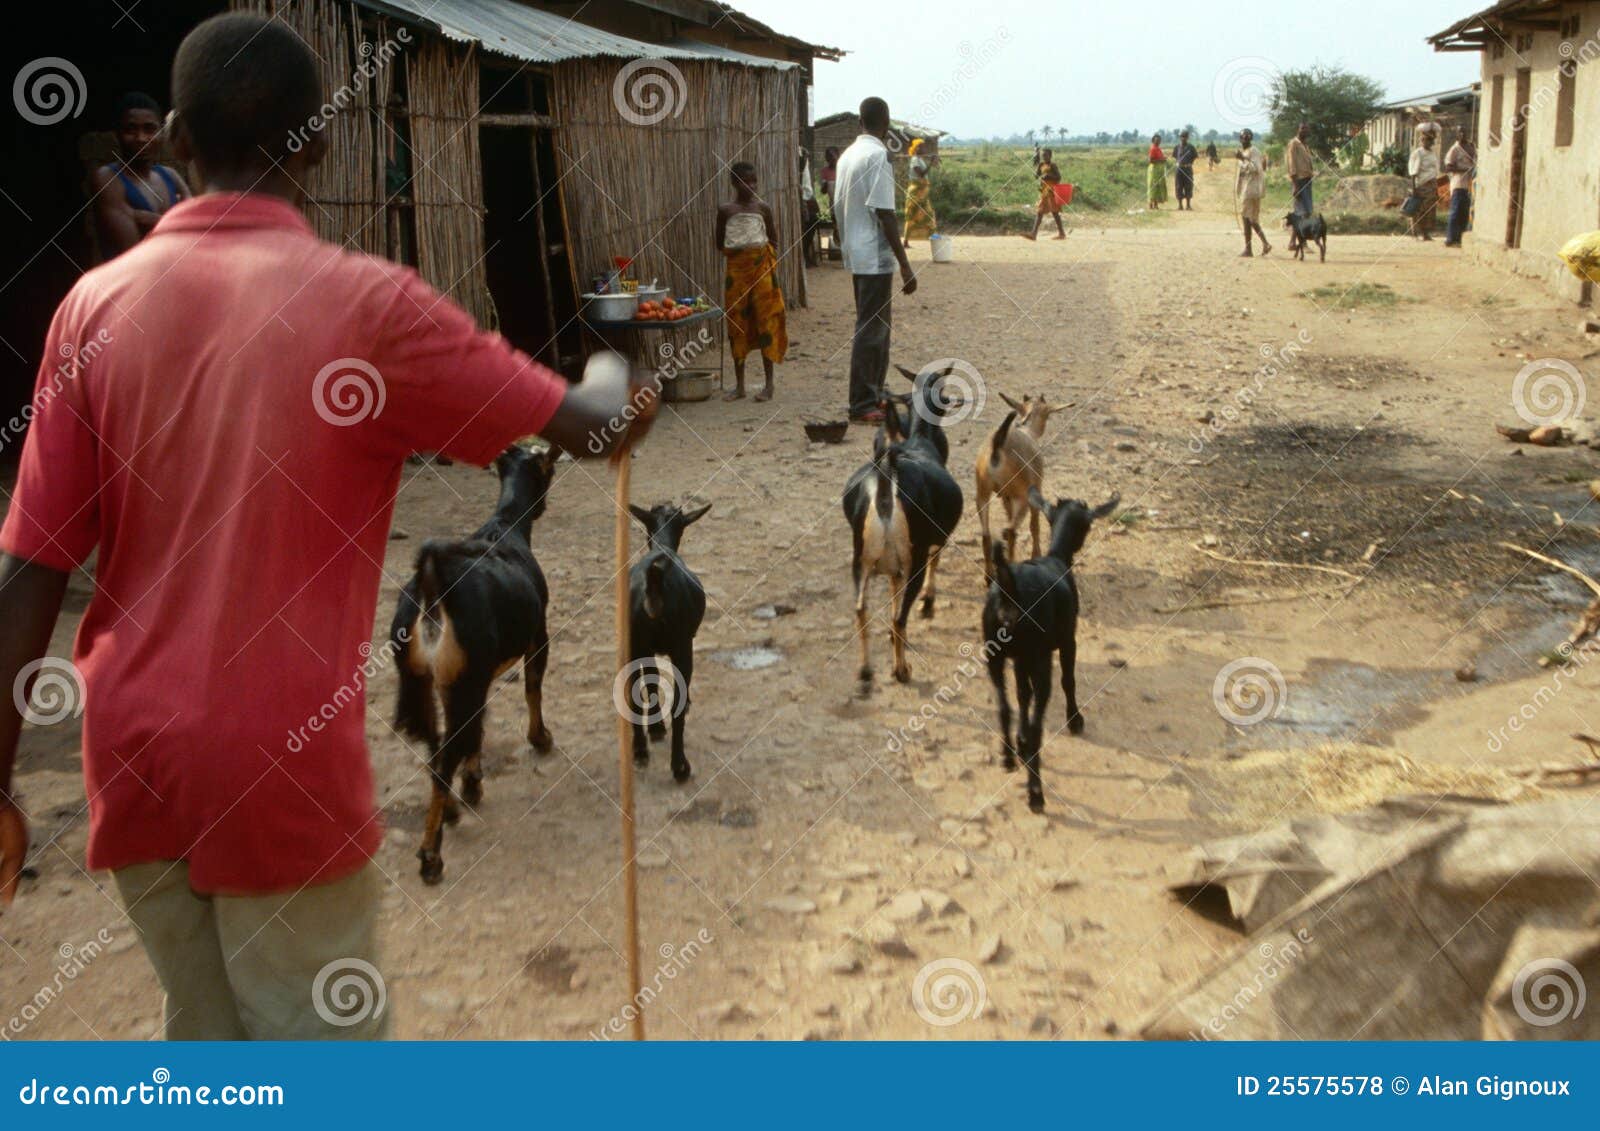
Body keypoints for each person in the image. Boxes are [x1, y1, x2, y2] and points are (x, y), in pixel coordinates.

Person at [0, 12, 650, 1039]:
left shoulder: (91, 308)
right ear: (316, 142)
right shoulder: (370, 307)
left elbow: (30, 569)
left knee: (206, 1043)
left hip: (133, 759)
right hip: (279, 765)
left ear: (174, 139)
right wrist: (616, 368)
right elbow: (589, 427)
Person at [834, 97, 917, 424]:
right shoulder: (878, 155)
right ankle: (862, 403)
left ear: (860, 122)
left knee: (874, 327)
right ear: (886, 124)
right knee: (872, 330)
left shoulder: (847, 156)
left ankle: (875, 393)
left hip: (857, 252)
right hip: (874, 256)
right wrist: (906, 265)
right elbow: (886, 213)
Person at [91, 92, 192, 262]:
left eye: (149, 129)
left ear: (161, 132)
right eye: (131, 130)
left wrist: (152, 221)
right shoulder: (107, 178)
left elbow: (199, 234)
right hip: (134, 285)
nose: (141, 138)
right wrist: (179, 225)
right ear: (117, 134)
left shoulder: (169, 175)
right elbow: (134, 256)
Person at [717, 161, 787, 403]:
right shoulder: (726, 210)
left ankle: (769, 385)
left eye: (755, 180)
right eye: (747, 181)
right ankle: (739, 386)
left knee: (766, 321)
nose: (752, 186)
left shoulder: (763, 208)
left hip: (762, 274)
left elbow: (773, 240)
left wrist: (762, 262)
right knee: (737, 323)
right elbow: (719, 243)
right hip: (736, 276)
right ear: (735, 183)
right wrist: (741, 259)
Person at [1235, 129, 1271, 257]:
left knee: (1246, 217)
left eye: (1247, 138)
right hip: (1246, 188)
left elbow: (1256, 168)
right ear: (1240, 139)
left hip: (1251, 189)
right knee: (1251, 218)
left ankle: (1248, 249)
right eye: (1243, 137)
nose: (1245, 140)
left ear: (1250, 139)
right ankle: (1265, 243)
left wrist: (1243, 158)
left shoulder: (1253, 151)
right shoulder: (1244, 152)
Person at [1024, 148, 1067, 241]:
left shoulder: (1053, 165)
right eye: (1043, 155)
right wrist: (1037, 170)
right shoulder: (1041, 165)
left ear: (1050, 156)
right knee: (1041, 211)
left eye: (1046, 155)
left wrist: (1049, 176)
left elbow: (1059, 177)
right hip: (1044, 191)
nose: (1044, 157)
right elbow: (1036, 176)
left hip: (1051, 191)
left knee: (1053, 212)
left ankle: (1060, 233)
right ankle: (1034, 234)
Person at [1408, 124, 1442, 241]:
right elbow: (1413, 172)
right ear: (1422, 140)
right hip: (1421, 184)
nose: (1430, 142)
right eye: (1428, 140)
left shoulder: (1432, 154)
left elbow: (1434, 170)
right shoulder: (1418, 153)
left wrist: (1436, 187)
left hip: (1431, 184)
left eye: (1431, 140)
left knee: (1430, 210)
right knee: (1420, 209)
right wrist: (1414, 188)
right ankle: (1416, 232)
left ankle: (1426, 233)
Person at [1443, 127, 1474, 248]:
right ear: (1457, 135)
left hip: (1470, 184)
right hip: (1459, 183)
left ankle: (1460, 237)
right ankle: (1450, 238)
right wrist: (1465, 170)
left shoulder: (1471, 147)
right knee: (1455, 211)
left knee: (1465, 212)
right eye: (1460, 132)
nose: (1462, 134)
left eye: (1464, 131)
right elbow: (1449, 167)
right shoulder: (1454, 149)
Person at [903, 139, 937, 247]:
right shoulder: (915, 160)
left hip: (922, 192)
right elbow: (921, 174)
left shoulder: (919, 160)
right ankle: (906, 241)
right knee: (912, 216)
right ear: (917, 148)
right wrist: (931, 163)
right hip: (916, 192)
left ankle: (934, 237)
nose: (925, 149)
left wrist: (931, 162)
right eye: (922, 147)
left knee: (928, 213)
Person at [1285, 121, 1314, 217]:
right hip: (1299, 180)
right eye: (1302, 128)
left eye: (1306, 129)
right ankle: (1298, 230)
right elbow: (1291, 163)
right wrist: (1295, 185)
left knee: (1307, 208)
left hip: (1307, 178)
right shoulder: (1293, 143)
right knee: (1300, 210)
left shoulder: (1305, 144)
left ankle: (1305, 229)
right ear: (1298, 130)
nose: (1305, 131)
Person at [1173, 131, 1198, 210]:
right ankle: (1180, 205)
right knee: (1178, 186)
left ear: (1187, 138)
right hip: (1179, 170)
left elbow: (1195, 156)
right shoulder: (1177, 147)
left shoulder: (1191, 147)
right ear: (1180, 137)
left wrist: (1190, 163)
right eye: (1181, 136)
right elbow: (1175, 157)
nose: (1183, 138)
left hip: (1188, 169)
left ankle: (1188, 205)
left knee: (1188, 186)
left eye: (1185, 136)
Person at [1147, 134, 1168, 209]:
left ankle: (1156, 204)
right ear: (1153, 141)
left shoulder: (1158, 149)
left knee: (1158, 187)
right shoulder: (1153, 148)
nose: (1158, 142)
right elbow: (1150, 160)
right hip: (1154, 170)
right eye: (1156, 140)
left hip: (1159, 171)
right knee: (1153, 186)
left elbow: (1160, 158)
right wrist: (1161, 160)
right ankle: (1150, 204)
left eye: (1159, 140)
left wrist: (1163, 158)